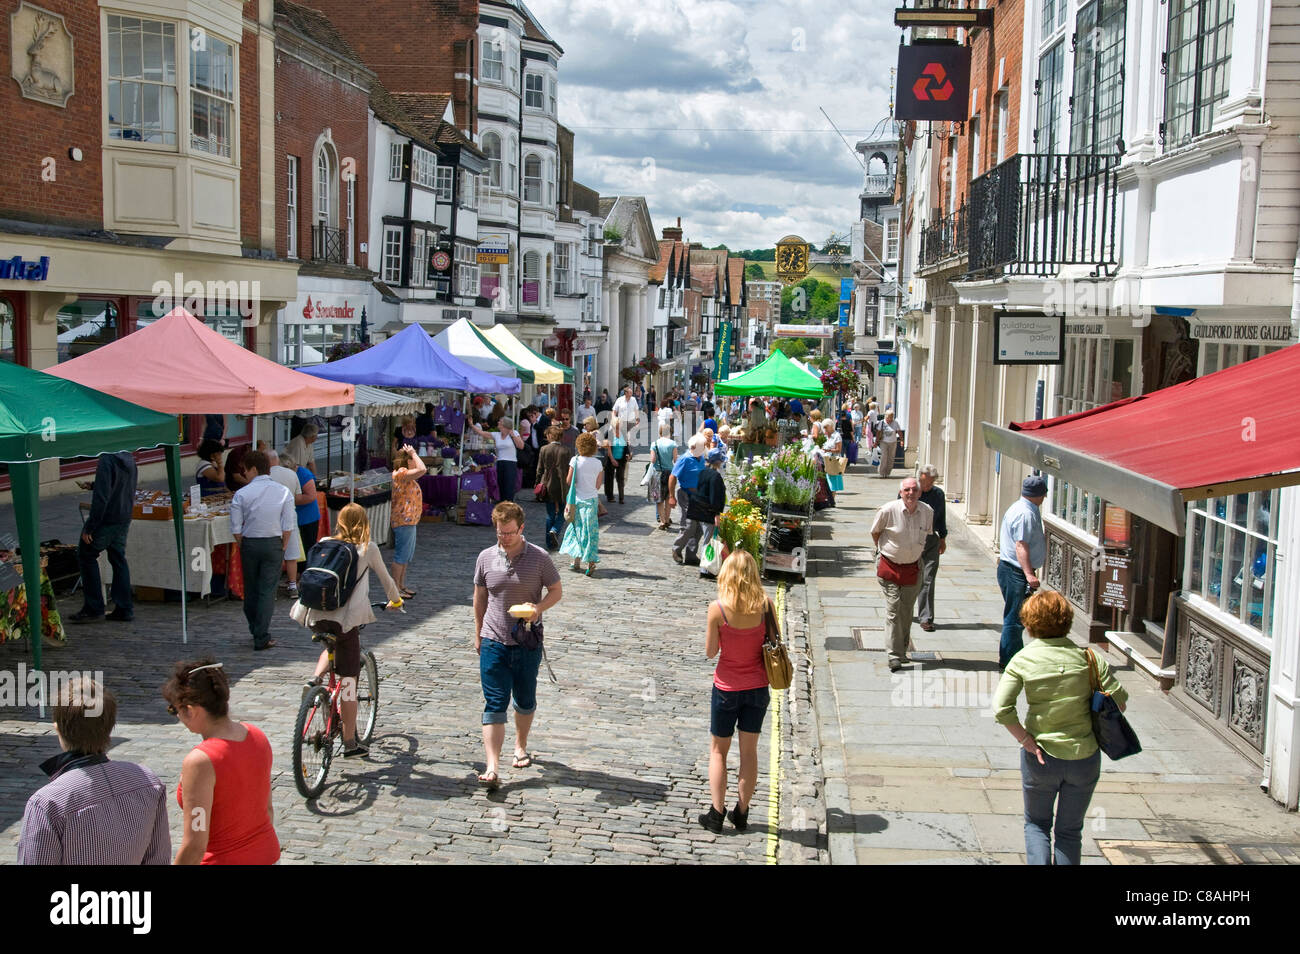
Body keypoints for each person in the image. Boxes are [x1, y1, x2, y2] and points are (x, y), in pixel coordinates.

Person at [993, 590, 1128, 865]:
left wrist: (1025, 740)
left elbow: (1001, 708)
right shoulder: (1090, 658)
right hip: (1084, 756)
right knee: (1069, 831)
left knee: (1037, 825)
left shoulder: (1023, 659)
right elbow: (1120, 702)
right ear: (1066, 621)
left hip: (1041, 755)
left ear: (1029, 624)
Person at [18, 677, 170, 864]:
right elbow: (158, 859)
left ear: (57, 729)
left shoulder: (47, 804)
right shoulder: (149, 782)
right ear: (110, 728)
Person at [292, 503, 403, 756]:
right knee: (349, 682)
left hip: (316, 614)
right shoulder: (367, 548)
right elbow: (387, 581)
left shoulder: (324, 542)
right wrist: (396, 601)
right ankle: (351, 742)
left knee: (329, 646)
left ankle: (315, 680)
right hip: (345, 620)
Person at [473, 501, 563, 788]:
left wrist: (537, 608)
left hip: (526, 641)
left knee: (524, 700)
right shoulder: (486, 557)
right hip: (493, 639)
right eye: (500, 533)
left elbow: (557, 591)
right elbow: (480, 598)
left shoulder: (538, 557)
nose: (504, 538)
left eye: (510, 533)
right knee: (494, 703)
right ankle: (492, 767)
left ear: (521, 528)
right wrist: (478, 634)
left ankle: (520, 745)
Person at [163, 658, 280, 864]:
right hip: (268, 855)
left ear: (191, 710)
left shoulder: (200, 762)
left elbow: (195, 844)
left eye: (174, 710)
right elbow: (267, 810)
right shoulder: (257, 735)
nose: (178, 717)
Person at [700, 550, 772, 833]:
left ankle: (716, 814)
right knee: (749, 752)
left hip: (727, 688)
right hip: (757, 687)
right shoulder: (765, 605)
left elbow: (710, 652)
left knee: (718, 751)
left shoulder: (717, 609)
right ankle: (741, 812)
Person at [230, 450, 295, 651]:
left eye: (246, 470)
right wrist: (283, 544)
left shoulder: (242, 493)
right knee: (267, 590)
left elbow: (236, 528)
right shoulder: (283, 491)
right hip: (273, 542)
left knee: (251, 589)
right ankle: (261, 633)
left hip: (250, 542)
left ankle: (256, 629)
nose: (244, 474)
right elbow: (288, 524)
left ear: (254, 469)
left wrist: (243, 543)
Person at [871, 476, 934, 672]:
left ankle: (902, 651)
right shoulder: (888, 510)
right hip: (890, 565)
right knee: (893, 609)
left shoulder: (927, 512)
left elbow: (928, 535)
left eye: (914, 490)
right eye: (907, 490)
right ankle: (893, 656)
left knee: (906, 611)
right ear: (900, 492)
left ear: (920, 492)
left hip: (913, 567)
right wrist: (884, 551)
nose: (910, 493)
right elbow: (875, 532)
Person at [70, 451, 138, 624]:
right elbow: (119, 484)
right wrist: (94, 485)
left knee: (86, 555)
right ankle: (124, 607)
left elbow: (102, 498)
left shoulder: (107, 459)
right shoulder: (128, 457)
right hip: (123, 515)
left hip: (108, 518)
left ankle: (94, 607)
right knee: (118, 558)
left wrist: (90, 527)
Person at [998, 475, 1048, 672]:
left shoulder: (1021, 507)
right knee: (1015, 618)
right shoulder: (1025, 514)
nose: (1044, 498)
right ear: (1039, 495)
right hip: (1015, 572)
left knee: (1016, 617)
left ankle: (1012, 657)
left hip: (1012, 570)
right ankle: (1011, 660)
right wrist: (1029, 574)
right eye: (1043, 494)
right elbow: (1021, 545)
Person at [560, 432, 603, 575]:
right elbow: (597, 485)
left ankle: (575, 561)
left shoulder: (575, 460)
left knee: (576, 529)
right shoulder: (598, 463)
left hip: (577, 501)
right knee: (590, 532)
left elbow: (568, 480)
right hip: (591, 500)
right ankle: (590, 562)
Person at [389, 445, 427, 599]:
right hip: (403, 520)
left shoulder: (405, 475)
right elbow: (422, 469)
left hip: (410, 521)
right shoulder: (400, 474)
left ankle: (401, 585)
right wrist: (413, 453)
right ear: (407, 460)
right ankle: (395, 588)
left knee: (406, 556)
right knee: (401, 556)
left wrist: (413, 454)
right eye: (412, 459)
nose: (415, 461)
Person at [267, 449, 305, 599]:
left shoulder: (266, 475)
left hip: (272, 516)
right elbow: (298, 496)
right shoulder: (291, 474)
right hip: (289, 513)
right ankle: (293, 585)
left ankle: (273, 587)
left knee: (274, 554)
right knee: (291, 555)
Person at [916, 465, 948, 633]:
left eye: (932, 482)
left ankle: (926, 618)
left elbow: (941, 518)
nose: (930, 485)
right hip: (912, 540)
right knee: (910, 579)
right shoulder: (910, 490)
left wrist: (942, 538)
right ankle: (903, 611)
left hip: (931, 540)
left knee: (928, 579)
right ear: (921, 476)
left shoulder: (938, 494)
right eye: (928, 481)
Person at [686, 448, 727, 577]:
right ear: (718, 462)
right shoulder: (715, 476)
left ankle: (690, 556)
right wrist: (717, 514)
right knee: (707, 540)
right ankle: (705, 569)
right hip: (707, 511)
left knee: (696, 535)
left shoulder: (703, 472)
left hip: (697, 508)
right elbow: (715, 496)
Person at [670, 434, 708, 563]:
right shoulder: (684, 459)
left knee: (698, 527)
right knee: (689, 524)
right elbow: (672, 477)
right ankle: (676, 548)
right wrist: (671, 497)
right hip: (686, 494)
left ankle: (691, 555)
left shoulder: (701, 458)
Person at [535, 425, 573, 550]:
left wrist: (536, 484)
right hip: (562, 485)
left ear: (550, 436)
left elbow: (539, 469)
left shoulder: (544, 449)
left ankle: (549, 542)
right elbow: (569, 470)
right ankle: (555, 530)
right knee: (563, 512)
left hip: (548, 484)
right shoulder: (566, 450)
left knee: (550, 514)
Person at [470, 416, 524, 503]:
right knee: (501, 486)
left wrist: (512, 434)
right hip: (500, 463)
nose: (498, 422)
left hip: (511, 464)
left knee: (509, 487)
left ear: (505, 424)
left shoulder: (514, 433)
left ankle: (509, 506)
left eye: (500, 421)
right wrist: (472, 425)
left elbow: (521, 446)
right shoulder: (496, 435)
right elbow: (481, 432)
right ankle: (503, 505)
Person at [285, 449, 321, 575]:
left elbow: (311, 496)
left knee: (307, 547)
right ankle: (298, 574)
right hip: (296, 516)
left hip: (307, 517)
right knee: (298, 549)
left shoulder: (304, 474)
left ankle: (306, 574)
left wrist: (287, 500)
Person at [651, 422, 678, 530]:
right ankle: (667, 519)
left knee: (659, 499)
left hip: (657, 472)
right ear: (670, 432)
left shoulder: (654, 444)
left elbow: (652, 460)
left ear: (660, 432)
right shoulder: (673, 444)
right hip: (670, 473)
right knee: (668, 497)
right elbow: (676, 460)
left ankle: (662, 521)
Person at [604, 417, 632, 505]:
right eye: (617, 425)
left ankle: (621, 498)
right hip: (611, 458)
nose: (619, 427)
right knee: (609, 478)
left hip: (621, 459)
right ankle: (610, 496)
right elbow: (608, 448)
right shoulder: (609, 433)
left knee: (621, 478)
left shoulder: (623, 433)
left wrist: (628, 454)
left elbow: (626, 446)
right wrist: (612, 459)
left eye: (620, 425)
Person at [877, 410, 902, 478]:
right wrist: (876, 442)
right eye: (888, 418)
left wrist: (902, 440)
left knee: (891, 457)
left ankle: (887, 472)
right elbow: (878, 432)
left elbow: (899, 431)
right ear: (885, 416)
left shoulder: (895, 423)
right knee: (884, 456)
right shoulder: (882, 422)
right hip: (883, 442)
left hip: (893, 442)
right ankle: (882, 472)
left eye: (891, 418)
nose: (889, 419)